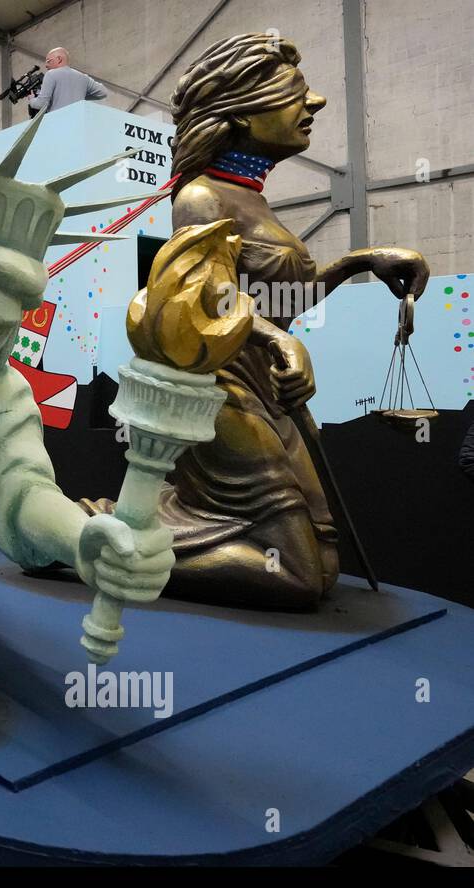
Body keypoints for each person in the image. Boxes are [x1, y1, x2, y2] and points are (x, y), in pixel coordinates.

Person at [138, 33, 427, 607]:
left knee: (320, 564)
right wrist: (279, 344)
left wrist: (360, 262)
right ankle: (105, 549)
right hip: (222, 392)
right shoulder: (200, 198)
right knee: (296, 574)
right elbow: (205, 298)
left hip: (271, 394)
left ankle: (137, 531)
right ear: (242, 114)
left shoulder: (253, 199)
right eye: (294, 94)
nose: (315, 103)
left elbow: (279, 303)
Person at [27, 47, 107, 116]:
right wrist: (80, 94)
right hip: (78, 125)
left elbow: (40, 104)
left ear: (59, 59)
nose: (46, 65)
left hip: (58, 125)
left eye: (48, 61)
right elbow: (103, 92)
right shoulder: (83, 77)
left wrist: (32, 99)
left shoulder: (51, 74)